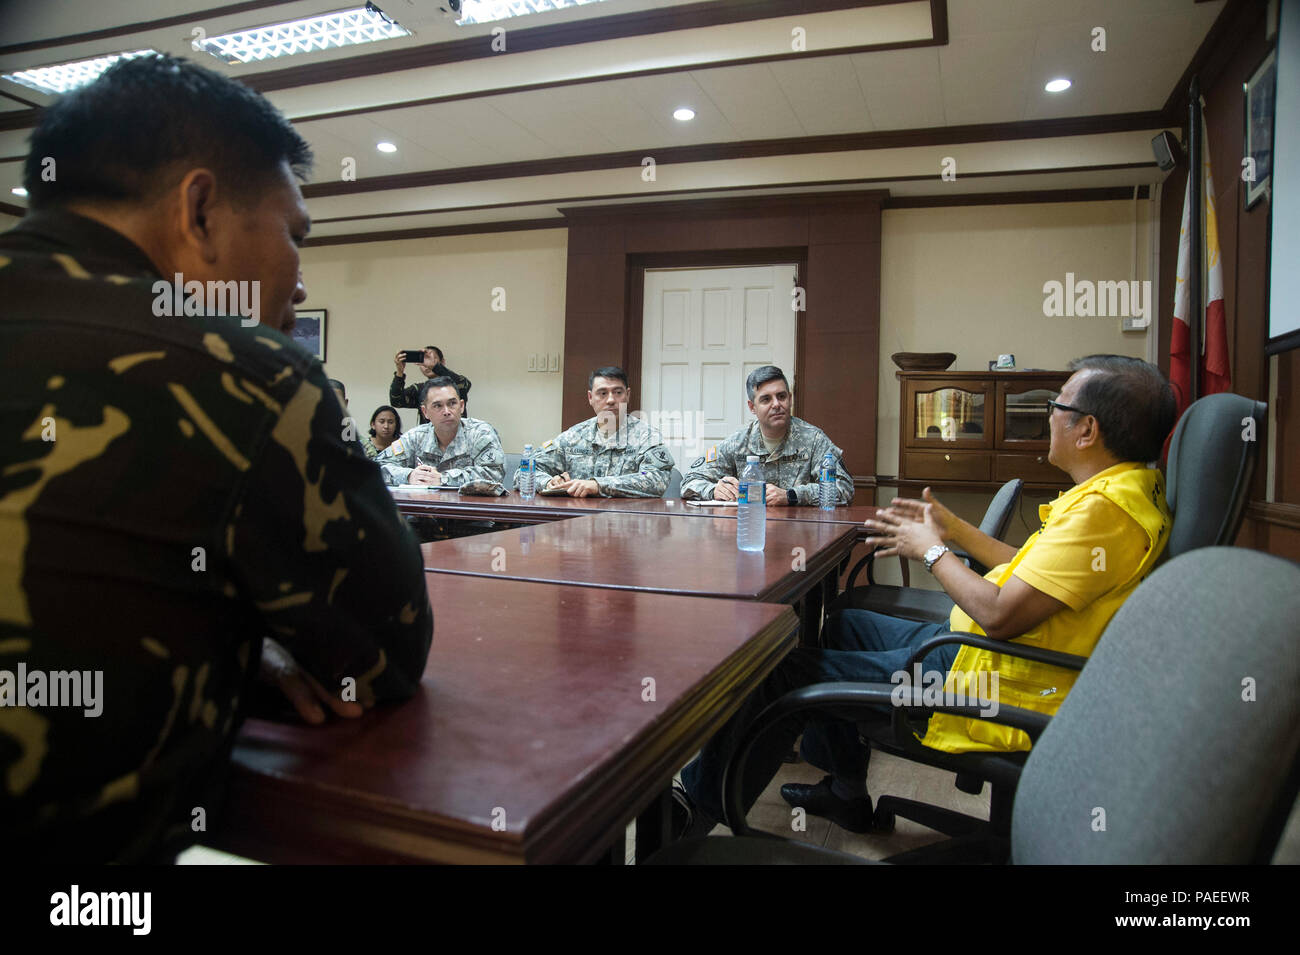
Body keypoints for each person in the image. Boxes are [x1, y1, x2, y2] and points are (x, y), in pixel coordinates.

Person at [0, 54, 433, 864]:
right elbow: (381, 658)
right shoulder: (250, 373)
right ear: (198, 211)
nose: (300, 282)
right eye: (293, 235)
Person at [673, 355, 1176, 838]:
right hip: (976, 650)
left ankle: (696, 810)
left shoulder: (1102, 514)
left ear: (1086, 430)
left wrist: (933, 551)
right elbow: (1026, 565)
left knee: (784, 669)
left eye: (1057, 406)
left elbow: (1000, 615)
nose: (1048, 416)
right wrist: (955, 529)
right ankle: (846, 790)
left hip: (986, 675)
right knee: (839, 625)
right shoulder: (1118, 492)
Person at [681, 365, 854, 506]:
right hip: (749, 530)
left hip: (800, 533)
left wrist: (792, 496)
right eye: (766, 399)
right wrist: (714, 490)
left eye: (781, 396)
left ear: (790, 399)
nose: (777, 404)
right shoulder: (738, 443)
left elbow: (843, 488)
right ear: (752, 407)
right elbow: (689, 481)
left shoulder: (814, 440)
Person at [532, 366, 674, 497]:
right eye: (603, 393)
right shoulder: (573, 436)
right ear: (590, 398)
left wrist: (598, 485)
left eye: (618, 392)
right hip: (577, 519)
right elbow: (527, 470)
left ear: (628, 395)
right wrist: (548, 483)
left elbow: (657, 479)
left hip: (627, 519)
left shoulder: (647, 437)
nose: (611, 400)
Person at [376, 377, 504, 486]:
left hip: (470, 513)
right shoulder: (415, 437)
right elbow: (377, 467)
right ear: (425, 412)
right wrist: (409, 475)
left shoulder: (481, 433)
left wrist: (444, 479)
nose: (447, 411)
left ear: (461, 406)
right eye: (438, 406)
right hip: (425, 513)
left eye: (452, 403)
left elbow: (494, 474)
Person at [392, 345, 471, 409]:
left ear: (442, 362)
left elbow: (464, 384)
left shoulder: (455, 384)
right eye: (423, 360)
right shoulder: (420, 389)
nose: (426, 365)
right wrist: (400, 372)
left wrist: (435, 367)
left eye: (431, 359)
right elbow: (396, 401)